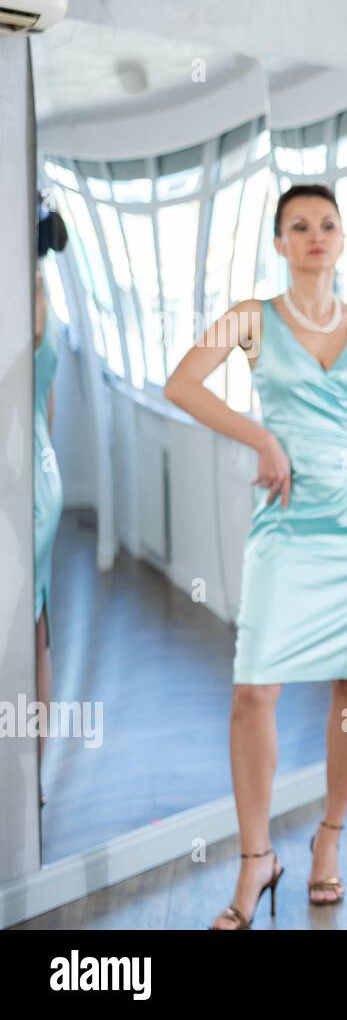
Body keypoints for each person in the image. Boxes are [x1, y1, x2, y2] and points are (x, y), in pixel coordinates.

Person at [163, 183, 347, 929]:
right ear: (279, 243)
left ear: (342, 240)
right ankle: (256, 858)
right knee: (253, 690)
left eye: (328, 225)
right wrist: (261, 437)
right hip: (287, 523)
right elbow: (181, 384)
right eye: (299, 226)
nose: (315, 235)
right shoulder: (252, 318)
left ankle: (328, 840)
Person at [34, 200, 69, 811]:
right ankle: (29, 783)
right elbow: (49, 404)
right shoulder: (44, 294)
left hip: (21, 486)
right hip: (42, 476)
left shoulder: (18, 299)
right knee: (35, 632)